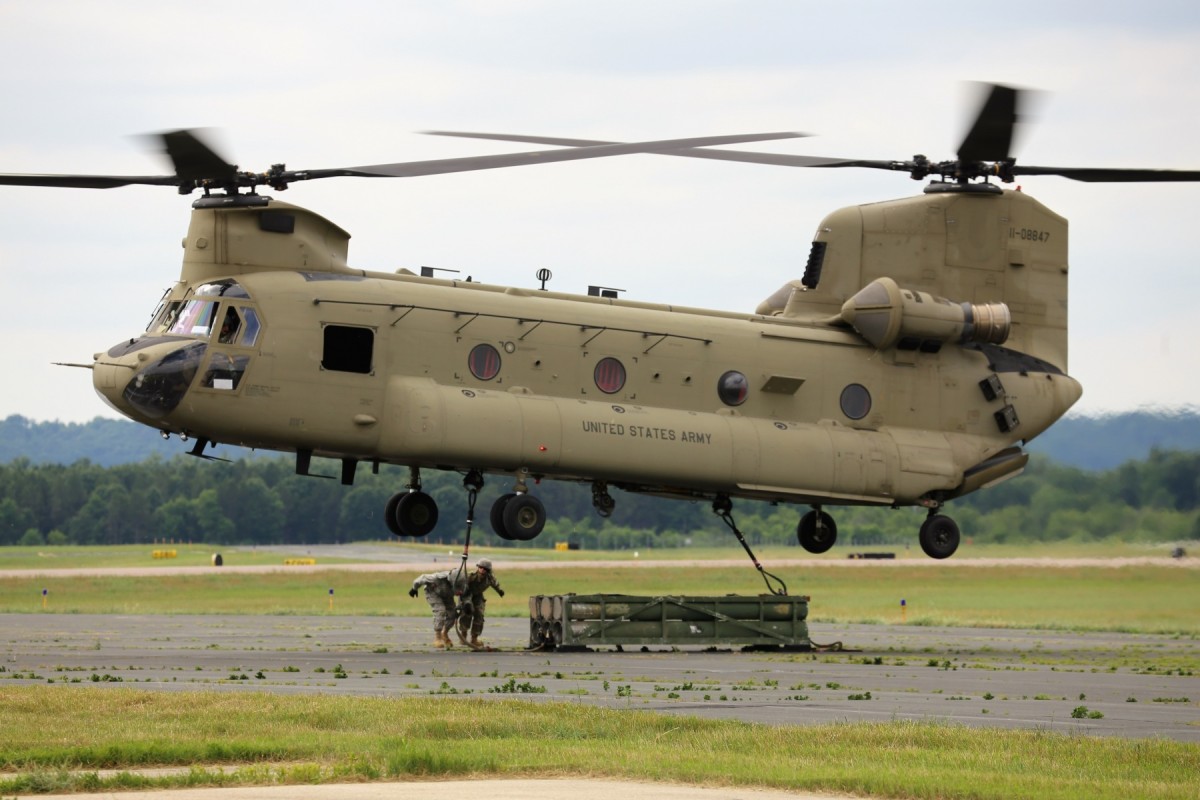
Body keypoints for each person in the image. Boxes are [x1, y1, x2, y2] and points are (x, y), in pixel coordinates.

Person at [408, 569, 465, 648]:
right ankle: (437, 638)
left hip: (447, 595)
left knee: (453, 614)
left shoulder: (462, 582)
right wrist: (414, 588)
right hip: (433, 592)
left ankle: (444, 633)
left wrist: (460, 605)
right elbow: (422, 578)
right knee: (440, 610)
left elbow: (463, 595)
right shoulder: (438, 578)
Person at [457, 559, 504, 650]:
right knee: (467, 613)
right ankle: (463, 636)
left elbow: (495, 584)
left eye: (484, 568)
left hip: (478, 596)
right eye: (480, 567)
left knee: (479, 615)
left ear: (488, 570)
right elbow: (461, 584)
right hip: (468, 595)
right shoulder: (471, 576)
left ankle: (474, 638)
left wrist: (500, 591)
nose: (482, 570)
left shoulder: (490, 578)